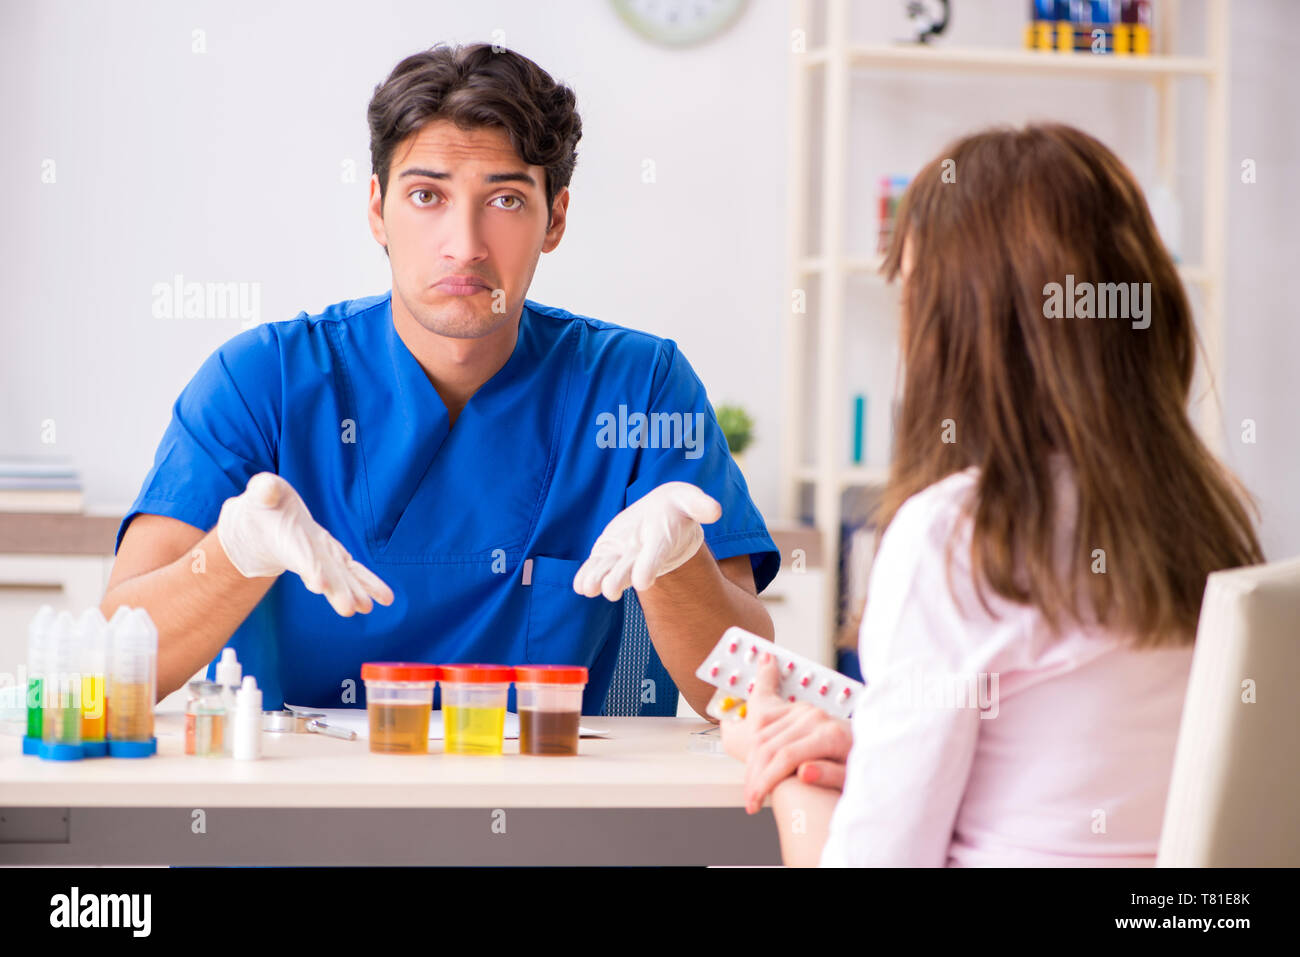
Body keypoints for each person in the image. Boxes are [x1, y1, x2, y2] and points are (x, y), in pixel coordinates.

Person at [102, 44, 778, 714]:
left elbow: (747, 693)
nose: (465, 244)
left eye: (506, 200)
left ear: (557, 219)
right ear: (377, 210)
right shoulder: (260, 382)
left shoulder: (640, 388)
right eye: (427, 195)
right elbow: (110, 666)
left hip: (561, 808)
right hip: (301, 810)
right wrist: (230, 556)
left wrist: (681, 564)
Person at [722, 123, 1263, 866]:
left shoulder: (955, 537)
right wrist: (876, 746)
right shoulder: (1211, 525)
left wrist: (779, 762)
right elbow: (1068, 781)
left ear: (962, 327)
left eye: (914, 295)